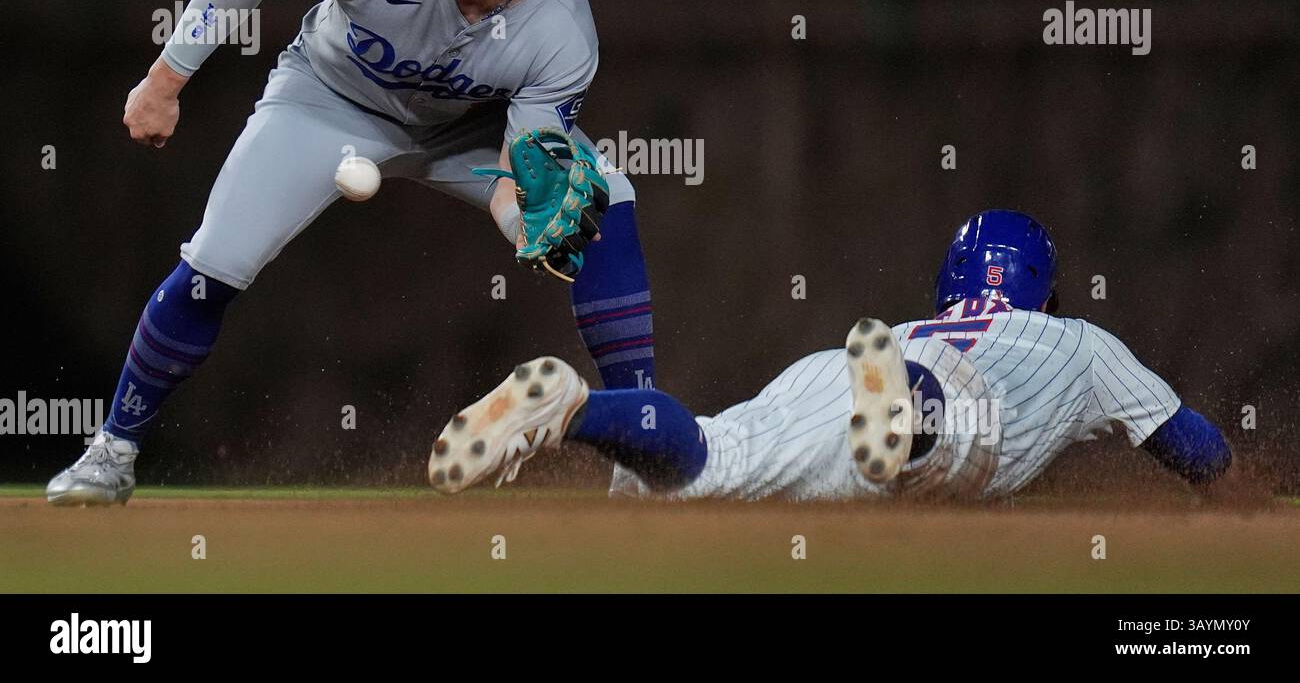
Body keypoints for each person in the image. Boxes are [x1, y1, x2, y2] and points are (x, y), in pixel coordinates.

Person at [47, 0, 656, 506]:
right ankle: (111, 453)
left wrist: (529, 227)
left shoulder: (561, 29)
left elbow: (520, 174)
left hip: (463, 131)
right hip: (326, 103)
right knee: (215, 262)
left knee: (609, 194)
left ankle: (641, 441)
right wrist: (164, 82)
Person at [427, 209, 1232, 500]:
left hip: (839, 368)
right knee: (954, 432)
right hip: (938, 403)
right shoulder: (1081, 341)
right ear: (1045, 289)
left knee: (705, 458)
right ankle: (909, 415)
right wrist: (1232, 487)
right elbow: (1191, 447)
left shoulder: (927, 321)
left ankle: (572, 411)